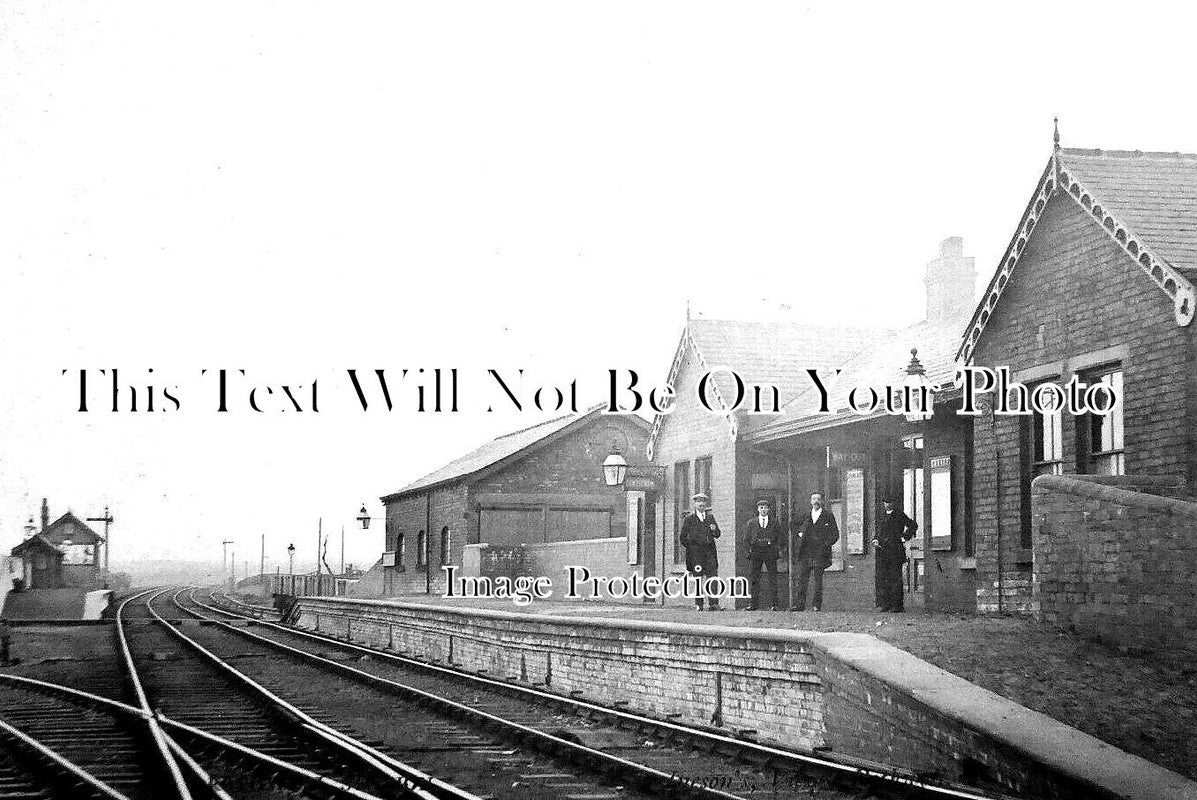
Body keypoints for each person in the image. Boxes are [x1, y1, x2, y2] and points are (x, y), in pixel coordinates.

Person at [790, 491, 839, 611]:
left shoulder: (828, 515)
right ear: (810, 501)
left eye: (818, 499)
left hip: (820, 553)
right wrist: (799, 533)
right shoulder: (806, 515)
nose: (816, 501)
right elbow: (792, 524)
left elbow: (835, 534)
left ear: (821, 501)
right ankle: (799, 605)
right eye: (813, 499)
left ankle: (816, 605)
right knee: (802, 579)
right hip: (806, 552)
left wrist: (825, 544)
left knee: (818, 580)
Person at [872, 498, 918, 612]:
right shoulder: (881, 516)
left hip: (895, 551)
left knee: (895, 579)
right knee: (883, 578)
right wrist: (875, 540)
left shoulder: (899, 515)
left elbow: (913, 525)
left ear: (893, 503)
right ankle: (884, 604)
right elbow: (877, 532)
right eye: (885, 502)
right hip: (882, 552)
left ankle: (897, 606)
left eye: (889, 502)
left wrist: (904, 536)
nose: (887, 504)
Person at [679, 492, 721, 610]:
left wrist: (714, 529)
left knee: (712, 577)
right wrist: (692, 548)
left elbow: (718, 534)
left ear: (706, 504)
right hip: (696, 554)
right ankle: (699, 604)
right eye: (698, 502)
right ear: (695, 504)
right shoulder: (689, 519)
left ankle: (714, 604)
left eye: (703, 502)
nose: (701, 504)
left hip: (709, 552)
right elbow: (682, 538)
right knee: (698, 578)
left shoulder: (710, 518)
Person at [744, 498, 783, 611]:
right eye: (761, 508)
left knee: (772, 577)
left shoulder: (774, 522)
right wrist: (750, 550)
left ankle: (774, 605)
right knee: (755, 578)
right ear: (758, 509)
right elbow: (746, 539)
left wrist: (776, 547)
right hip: (756, 552)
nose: (763, 510)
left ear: (768, 509)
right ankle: (753, 604)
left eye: (765, 508)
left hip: (770, 551)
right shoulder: (751, 523)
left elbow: (780, 537)